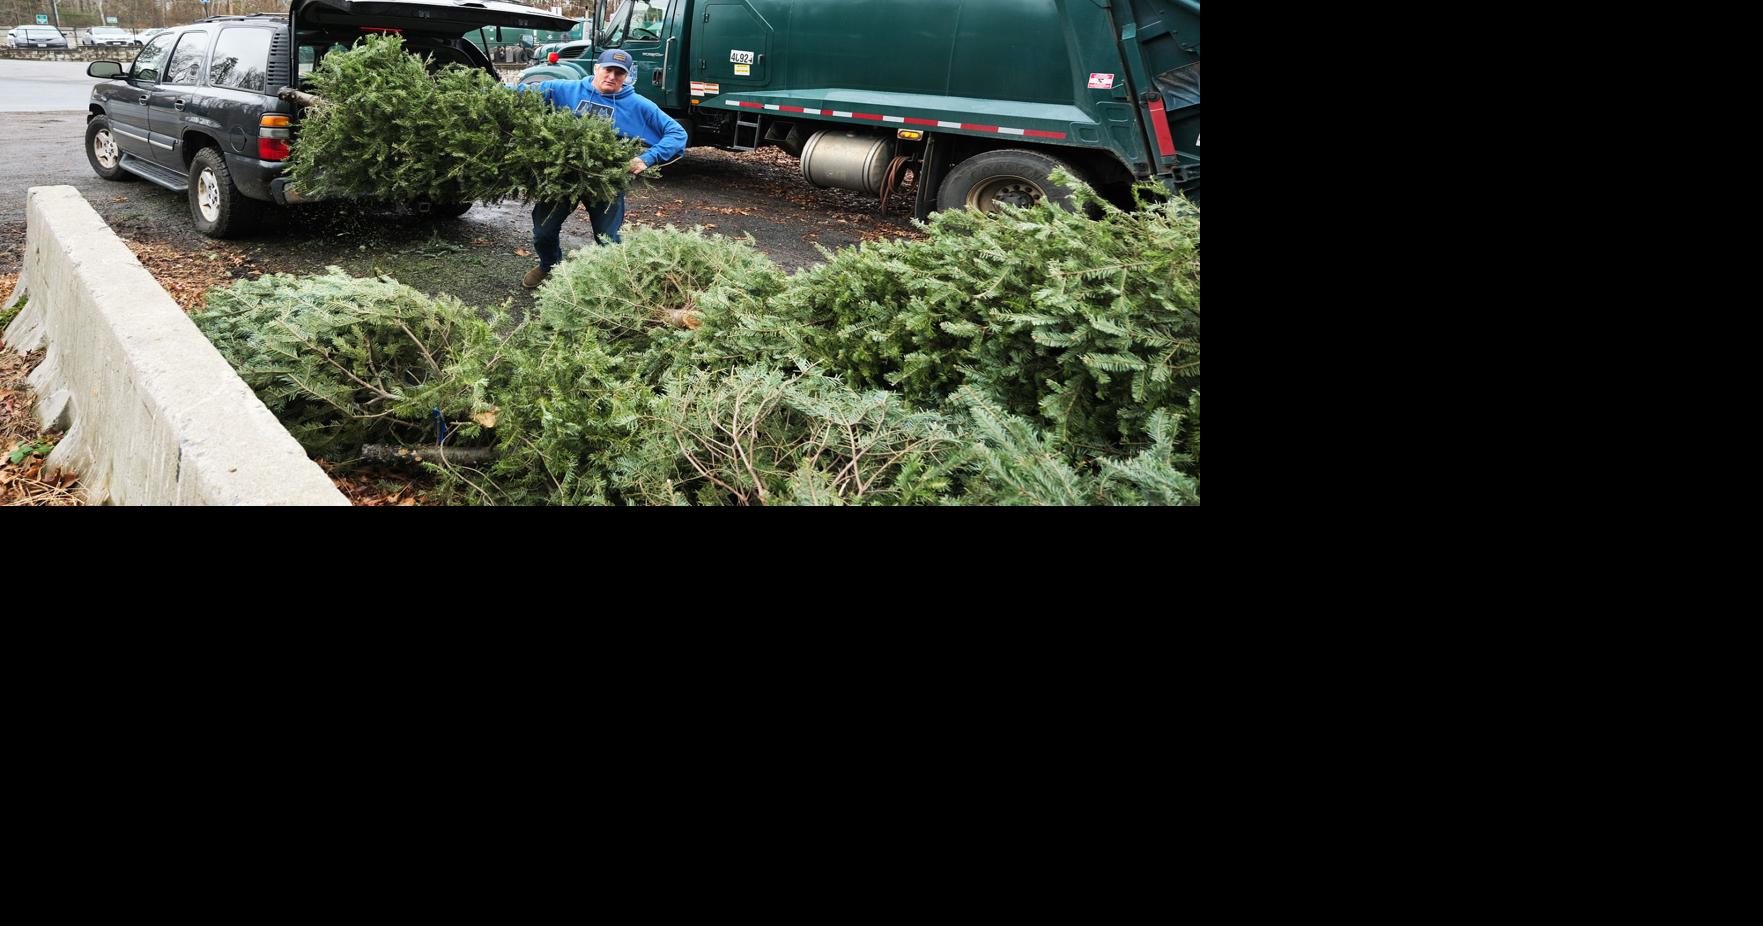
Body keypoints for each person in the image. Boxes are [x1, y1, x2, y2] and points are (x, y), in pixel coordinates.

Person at [518, 48, 687, 289]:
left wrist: (647, 158)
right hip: (564, 177)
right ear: (597, 68)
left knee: (608, 239)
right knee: (543, 231)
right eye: (608, 70)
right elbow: (520, 93)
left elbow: (677, 133)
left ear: (626, 77)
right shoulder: (564, 89)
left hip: (606, 181)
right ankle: (549, 266)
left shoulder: (638, 105)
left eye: (619, 73)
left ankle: (612, 285)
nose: (612, 77)